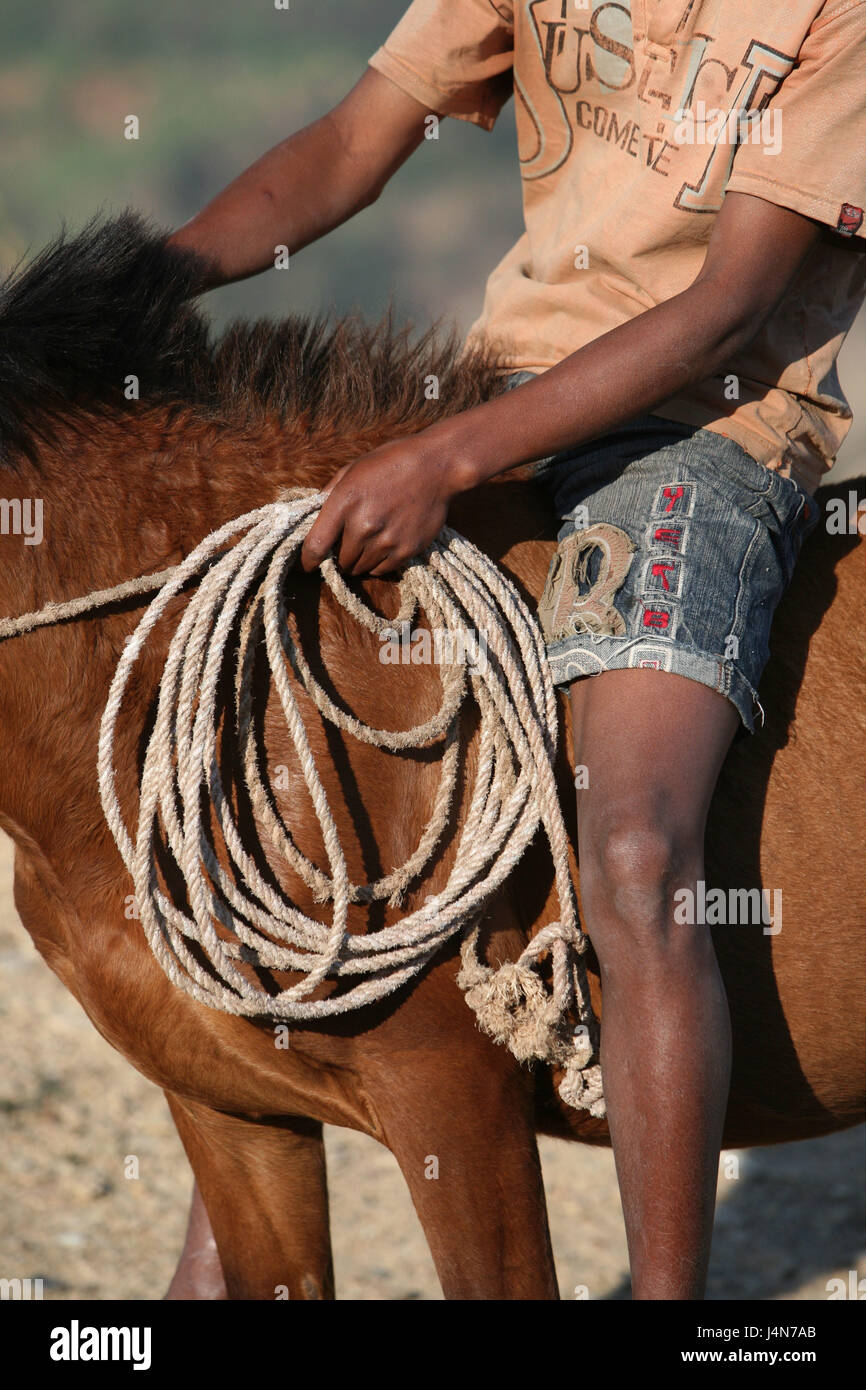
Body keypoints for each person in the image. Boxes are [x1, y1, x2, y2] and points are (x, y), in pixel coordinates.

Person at [168, 0, 866, 1299]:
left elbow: (729, 308)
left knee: (637, 843)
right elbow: (348, 144)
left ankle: (672, 1304)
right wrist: (144, 282)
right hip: (498, 391)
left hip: (700, 433)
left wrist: (439, 460)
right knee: (271, 783)